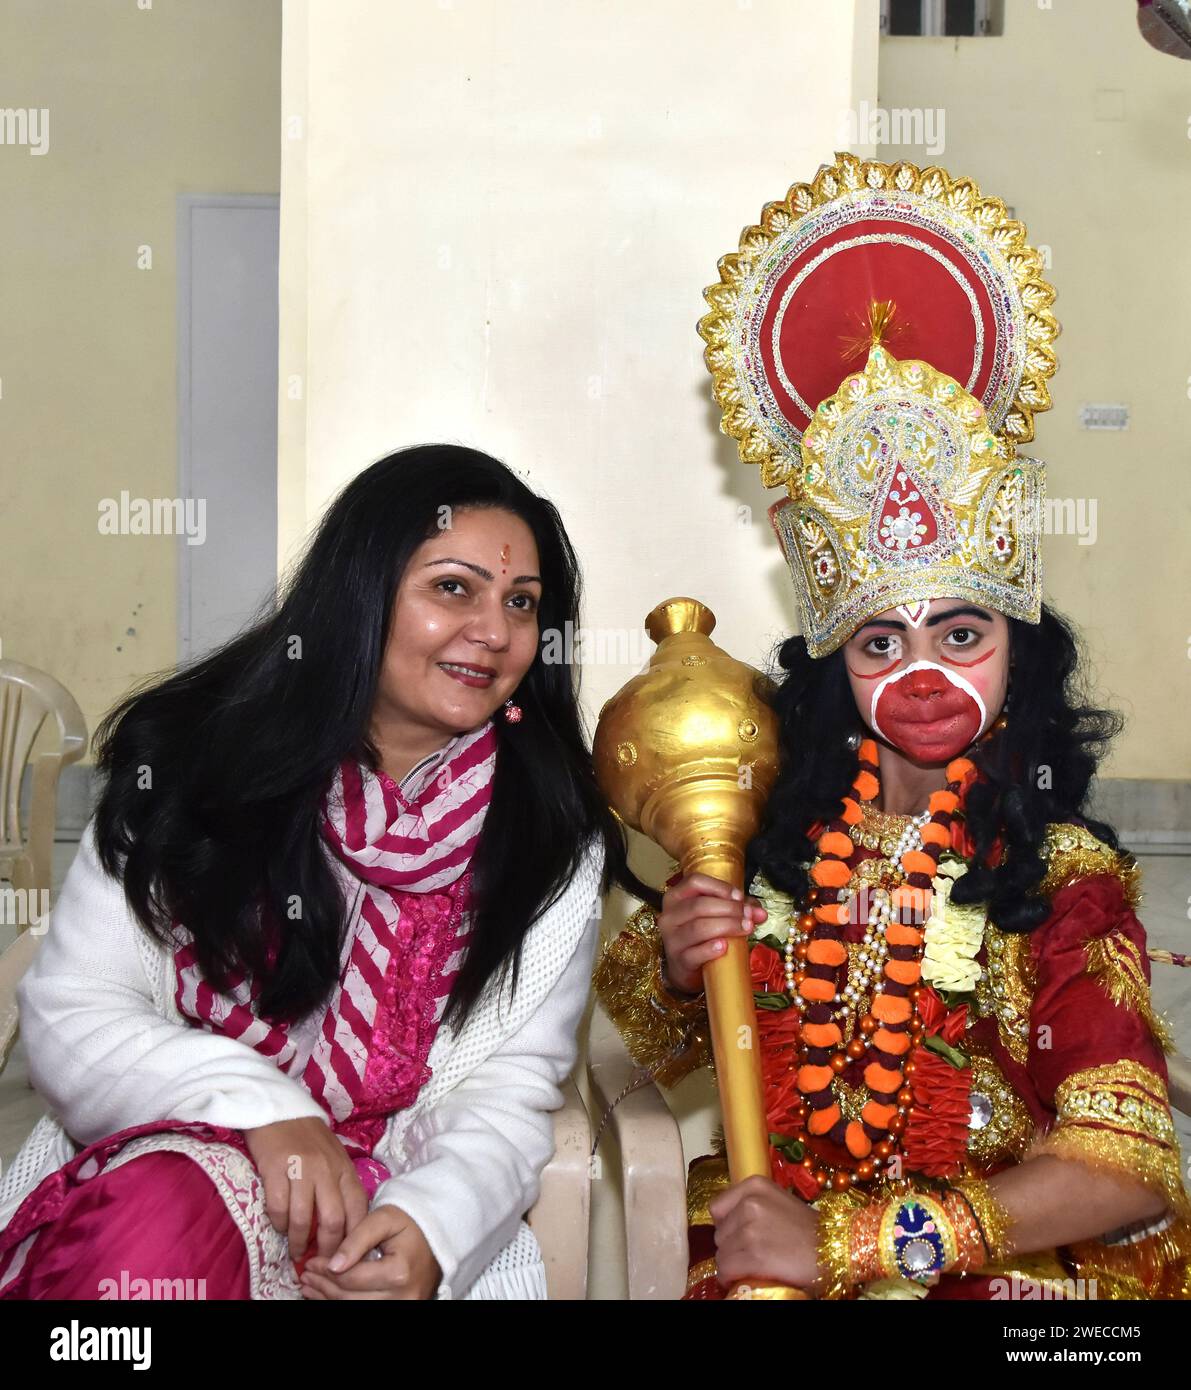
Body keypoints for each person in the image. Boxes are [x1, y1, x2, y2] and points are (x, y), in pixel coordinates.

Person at [594, 153, 1191, 1300]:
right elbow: (652, 1039)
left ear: (1022, 653)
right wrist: (677, 963)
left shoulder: (1062, 883)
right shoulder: (779, 841)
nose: (920, 674)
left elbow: (1127, 1167)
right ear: (836, 673)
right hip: (777, 1253)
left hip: (1005, 1276)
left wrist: (858, 1249)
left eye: (960, 634)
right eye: (879, 642)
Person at [0, 443, 647, 1300]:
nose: (493, 632)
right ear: (358, 593)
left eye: (521, 604)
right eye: (453, 588)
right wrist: (263, 1111)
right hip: (155, 1180)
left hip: (387, 1215)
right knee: (168, 1220)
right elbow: (74, 1011)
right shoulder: (195, 769)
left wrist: (434, 1230)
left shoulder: (548, 836)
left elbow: (508, 1088)